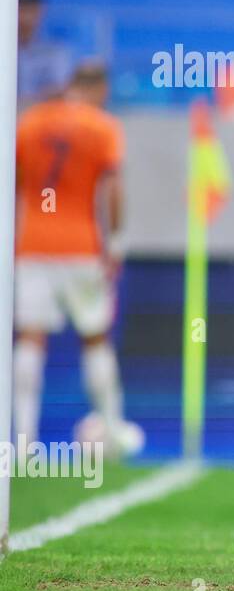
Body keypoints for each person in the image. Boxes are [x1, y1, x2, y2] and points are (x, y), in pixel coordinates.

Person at [14, 61, 141, 457]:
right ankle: (113, 432)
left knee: (30, 337)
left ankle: (23, 440)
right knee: (95, 337)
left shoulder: (29, 122)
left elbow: (14, 184)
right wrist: (115, 243)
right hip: (81, 246)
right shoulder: (102, 127)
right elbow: (113, 187)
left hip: (33, 244)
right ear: (99, 88)